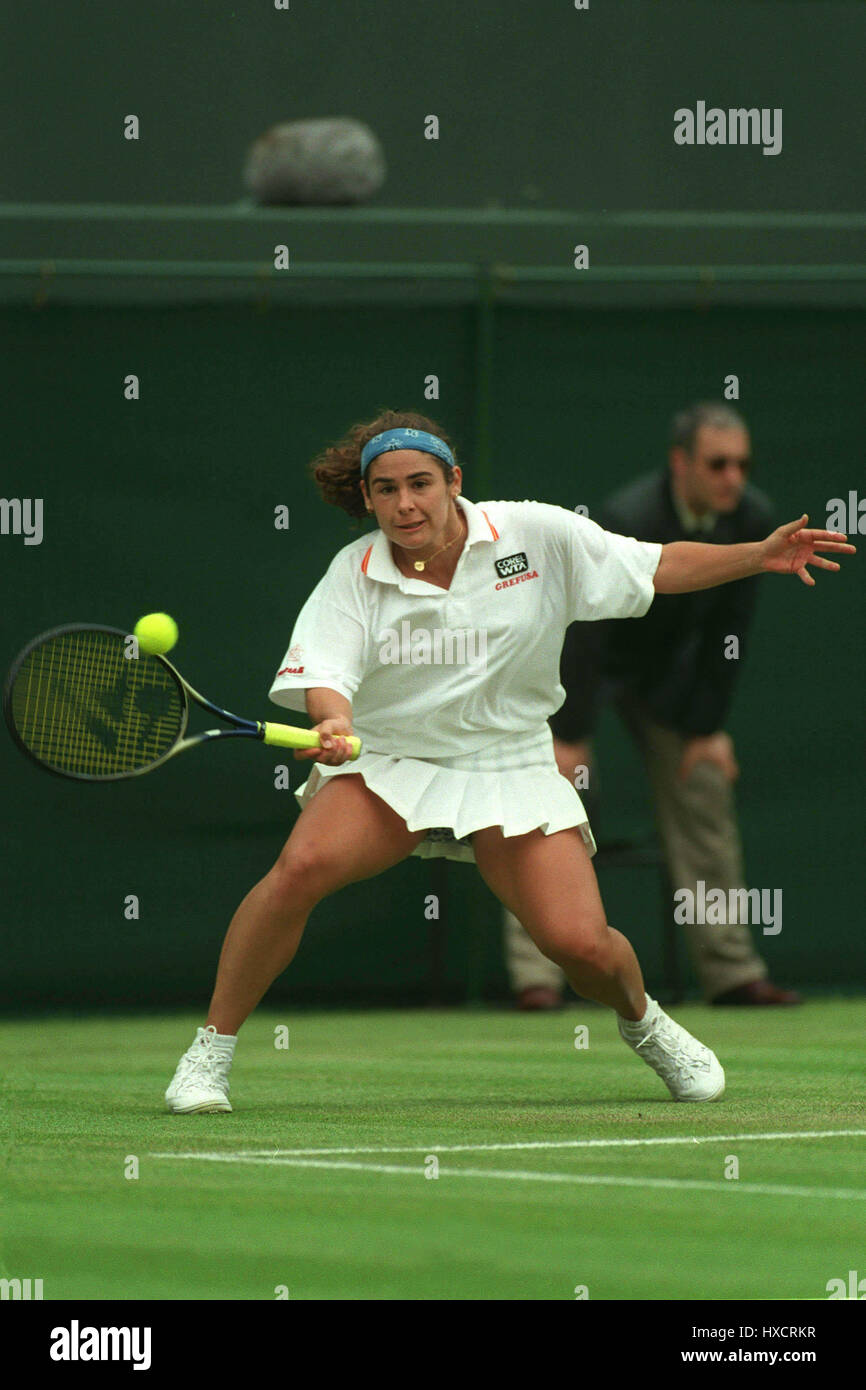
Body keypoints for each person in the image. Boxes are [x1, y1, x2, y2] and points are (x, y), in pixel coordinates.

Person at [163, 409, 853, 1114]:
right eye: (386, 489)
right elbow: (328, 676)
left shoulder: (536, 534)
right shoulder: (353, 574)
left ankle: (644, 1021)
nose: (405, 504)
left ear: (454, 482)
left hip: (511, 762)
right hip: (393, 762)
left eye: (421, 484)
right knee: (299, 871)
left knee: (581, 947)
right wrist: (332, 721)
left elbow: (654, 564)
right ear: (366, 499)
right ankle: (209, 1053)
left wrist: (756, 555)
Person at [504, 403, 811, 1011]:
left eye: (742, 464)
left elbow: (731, 633)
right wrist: (568, 735)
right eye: (718, 464)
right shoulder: (629, 515)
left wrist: (706, 729)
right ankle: (536, 975)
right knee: (549, 794)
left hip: (665, 678)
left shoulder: (754, 518)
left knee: (704, 780)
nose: (734, 477)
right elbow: (586, 633)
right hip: (586, 663)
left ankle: (730, 971)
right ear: (681, 463)